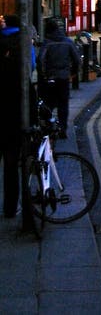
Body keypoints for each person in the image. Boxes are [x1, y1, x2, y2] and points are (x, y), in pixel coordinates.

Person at [0, 15, 33, 218]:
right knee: (12, 165)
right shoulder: (23, 45)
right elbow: (31, 70)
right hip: (13, 114)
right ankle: (11, 208)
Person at [37, 18, 80, 139]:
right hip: (63, 77)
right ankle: (63, 128)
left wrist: (43, 75)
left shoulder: (47, 43)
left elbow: (40, 60)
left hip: (50, 78)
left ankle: (49, 128)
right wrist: (73, 73)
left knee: (48, 104)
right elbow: (77, 60)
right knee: (63, 104)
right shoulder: (67, 42)